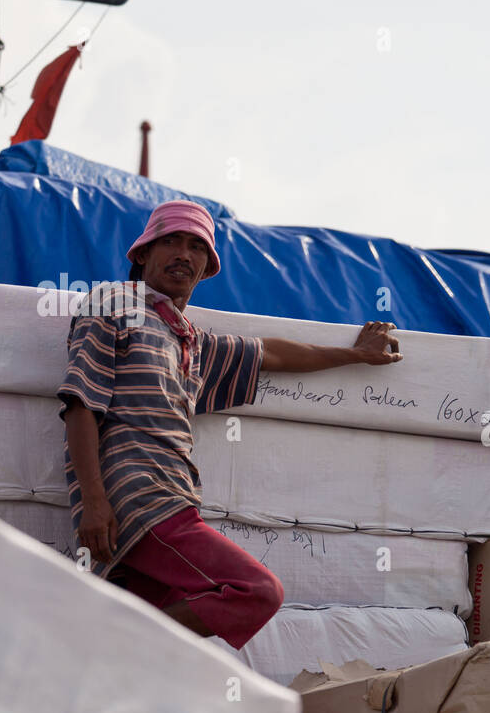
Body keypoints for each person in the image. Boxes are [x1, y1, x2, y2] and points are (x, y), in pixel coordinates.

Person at [58, 199, 401, 649]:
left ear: (206, 269)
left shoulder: (189, 339)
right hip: (141, 498)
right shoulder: (115, 302)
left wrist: (357, 355)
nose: (184, 254)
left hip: (172, 496)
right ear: (142, 254)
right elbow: (82, 401)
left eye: (197, 247)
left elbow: (272, 354)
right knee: (256, 592)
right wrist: (94, 501)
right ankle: (125, 645)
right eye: (172, 241)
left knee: (150, 643)